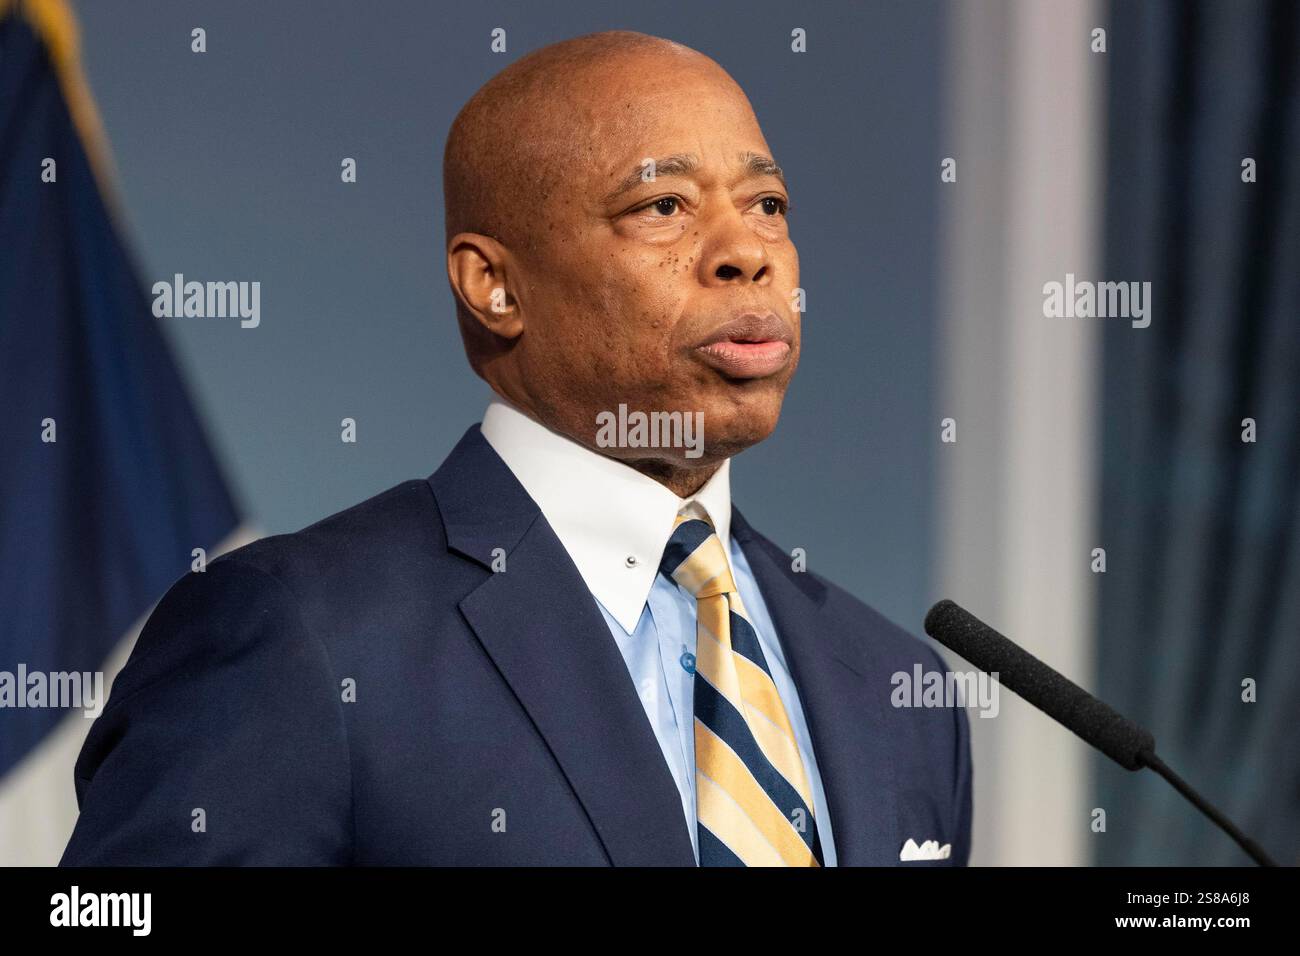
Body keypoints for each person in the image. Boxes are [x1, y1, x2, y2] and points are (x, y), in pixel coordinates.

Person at [61, 30, 971, 866]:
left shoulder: (893, 684)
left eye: (768, 203)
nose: (748, 251)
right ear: (493, 285)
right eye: (663, 206)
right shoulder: (301, 641)